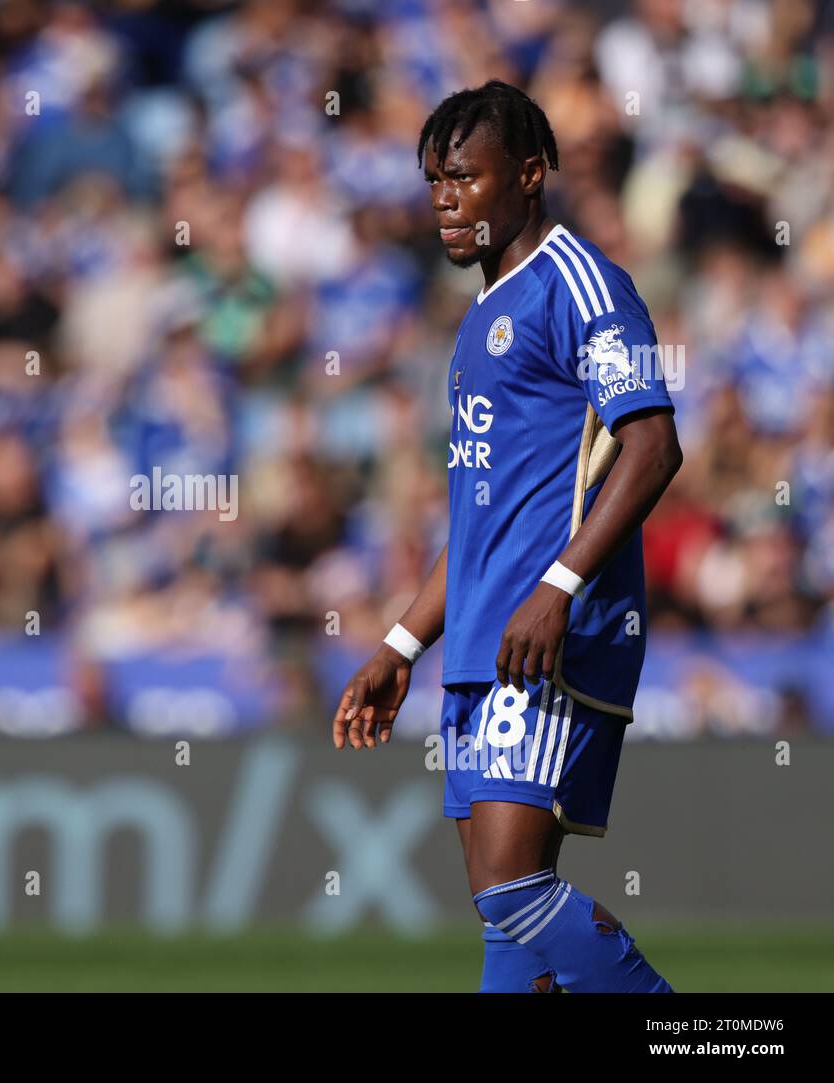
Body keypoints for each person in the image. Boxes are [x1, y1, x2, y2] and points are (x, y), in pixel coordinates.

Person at [331, 81, 679, 993]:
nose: (444, 200)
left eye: (464, 178)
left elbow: (652, 445)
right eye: (434, 181)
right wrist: (403, 643)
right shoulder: (481, 317)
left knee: (512, 888)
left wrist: (557, 589)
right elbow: (480, 521)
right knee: (506, 935)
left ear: (529, 174)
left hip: (546, 642)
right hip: (479, 649)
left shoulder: (581, 284)